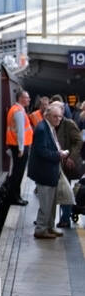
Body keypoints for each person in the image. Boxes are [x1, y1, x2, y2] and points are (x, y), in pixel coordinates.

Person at [28, 100, 68, 239]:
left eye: (60, 117)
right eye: (55, 116)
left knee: (51, 203)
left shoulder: (49, 127)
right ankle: (41, 229)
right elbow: (41, 151)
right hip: (44, 172)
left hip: (50, 171)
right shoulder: (42, 129)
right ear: (47, 115)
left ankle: (50, 227)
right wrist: (59, 154)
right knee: (46, 203)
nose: (58, 119)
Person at [50, 95, 83, 226]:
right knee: (55, 191)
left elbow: (79, 140)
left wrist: (71, 157)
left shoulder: (69, 124)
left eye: (58, 109)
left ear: (62, 110)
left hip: (66, 164)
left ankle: (65, 219)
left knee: (65, 191)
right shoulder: (52, 124)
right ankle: (51, 218)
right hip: (55, 163)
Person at [4, 88, 32, 205]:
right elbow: (20, 131)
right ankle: (15, 198)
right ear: (21, 98)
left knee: (16, 172)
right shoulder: (19, 111)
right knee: (18, 173)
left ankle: (13, 196)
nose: (29, 99)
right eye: (27, 97)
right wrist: (21, 148)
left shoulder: (15, 109)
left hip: (15, 144)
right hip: (20, 146)